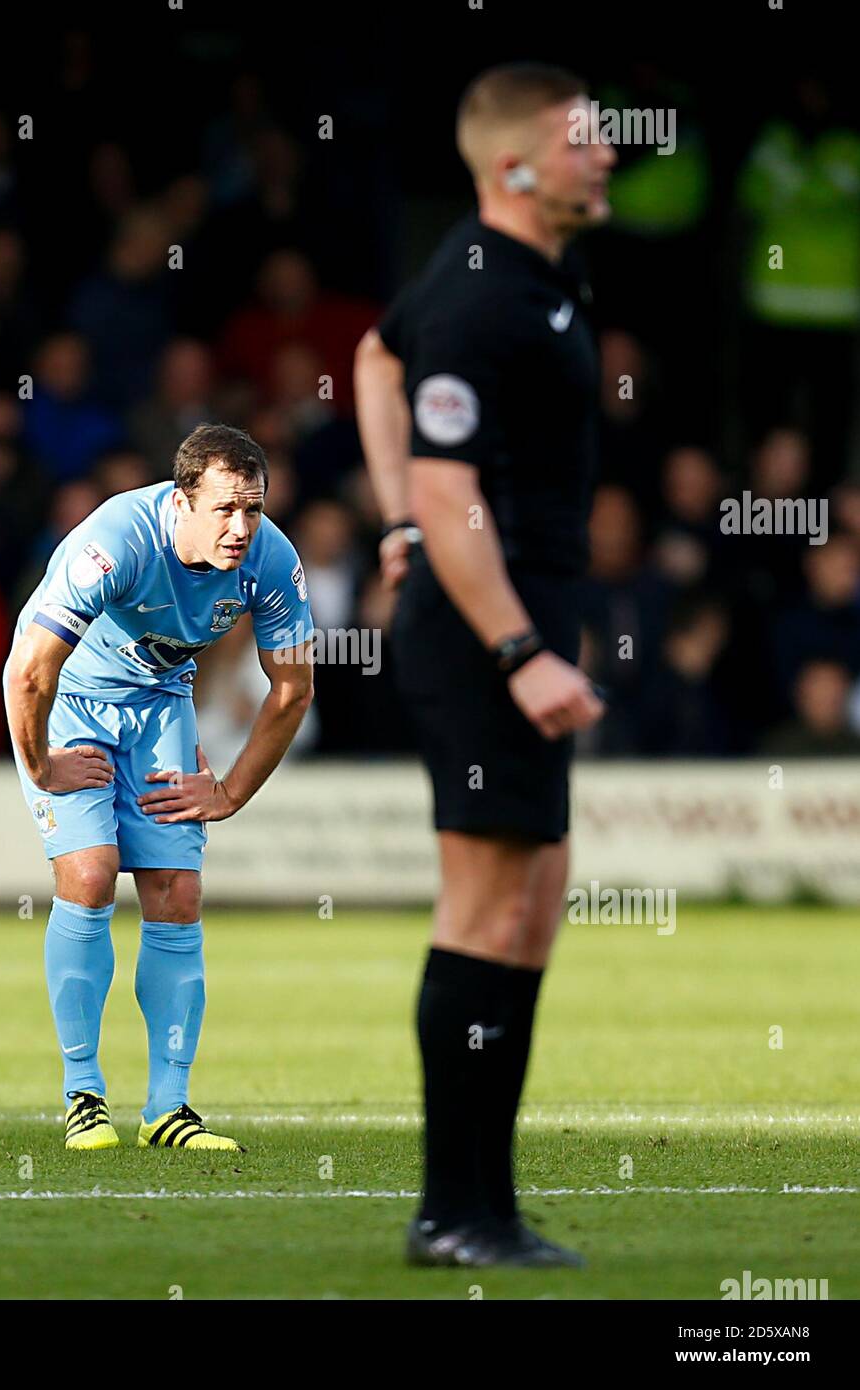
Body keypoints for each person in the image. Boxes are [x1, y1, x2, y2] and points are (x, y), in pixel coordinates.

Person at [354, 63, 611, 1267]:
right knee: (485, 903)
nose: (604, 156)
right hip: (478, 634)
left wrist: (394, 517)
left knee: (534, 899)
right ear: (513, 164)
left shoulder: (523, 281)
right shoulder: (479, 296)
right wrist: (512, 645)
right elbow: (454, 485)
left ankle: (484, 1207)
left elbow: (368, 357)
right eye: (582, 141)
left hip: (515, 616)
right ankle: (452, 1214)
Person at [4, 424, 314, 1151]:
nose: (240, 528)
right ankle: (83, 1094)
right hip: (69, 703)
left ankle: (168, 1110)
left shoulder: (270, 560)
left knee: (177, 891)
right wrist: (43, 764)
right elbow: (29, 672)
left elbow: (292, 689)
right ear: (181, 502)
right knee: (89, 875)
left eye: (253, 509)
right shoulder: (117, 540)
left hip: (159, 704)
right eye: (224, 509)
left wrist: (230, 791)